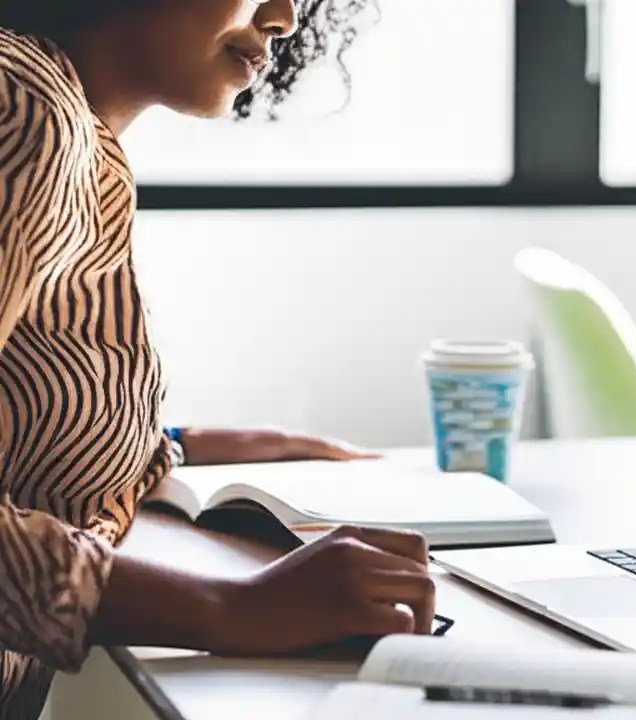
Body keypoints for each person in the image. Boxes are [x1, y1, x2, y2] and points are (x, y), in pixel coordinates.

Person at [0, 1, 435, 717]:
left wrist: (167, 447)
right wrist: (231, 606)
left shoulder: (80, 136)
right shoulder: (25, 111)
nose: (286, 16)